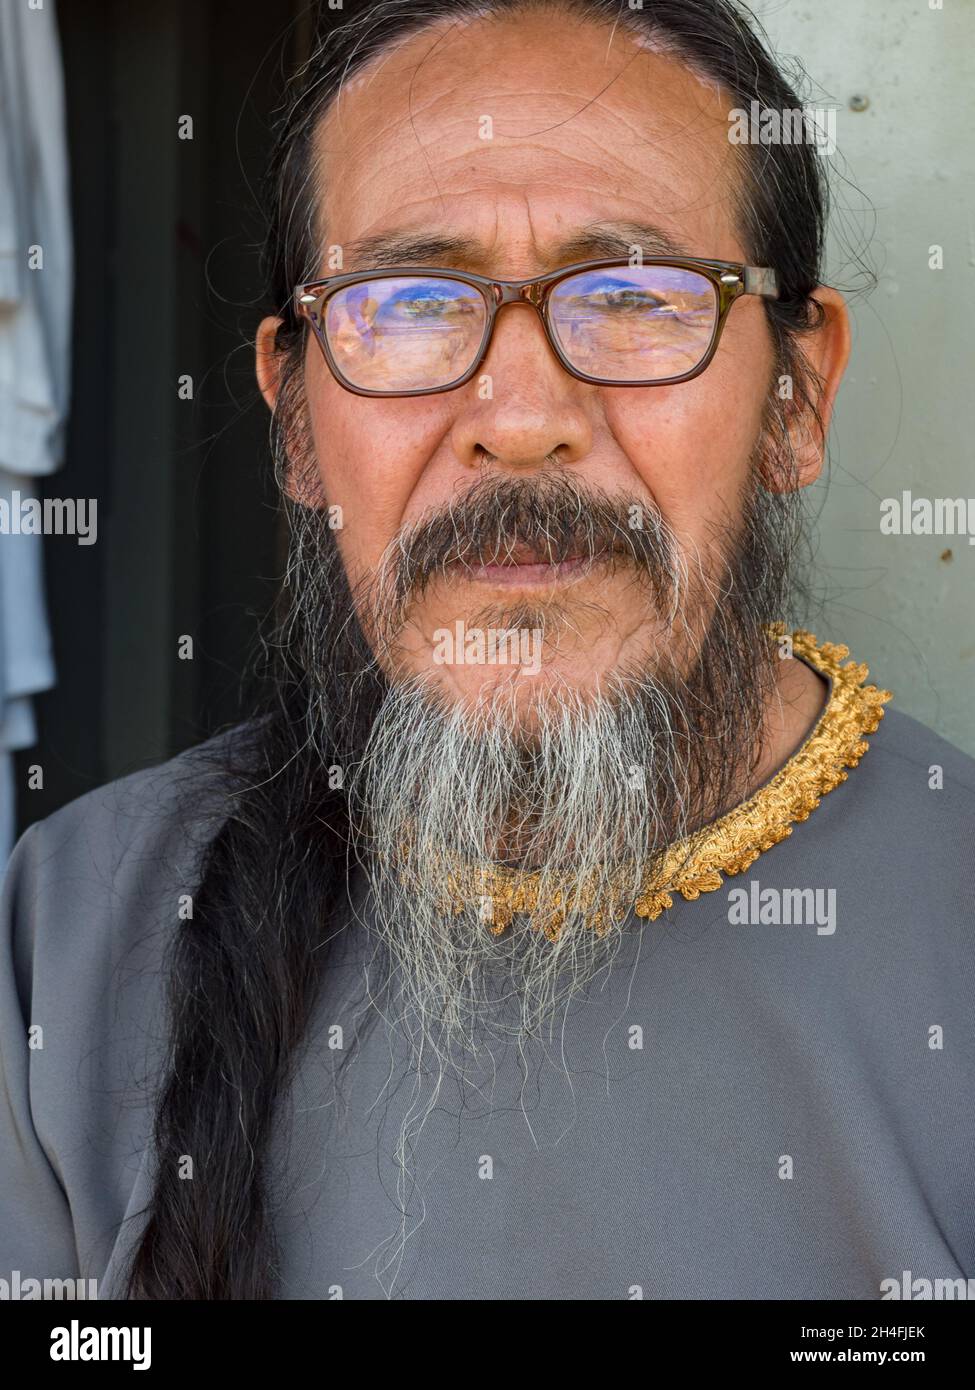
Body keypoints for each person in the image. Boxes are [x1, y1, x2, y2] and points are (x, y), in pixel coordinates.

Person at [1, 0, 973, 1302]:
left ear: (795, 400)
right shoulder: (71, 929)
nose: (520, 420)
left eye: (632, 292)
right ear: (294, 420)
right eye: (407, 301)